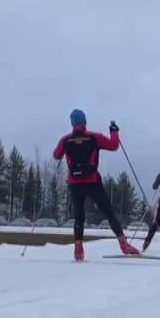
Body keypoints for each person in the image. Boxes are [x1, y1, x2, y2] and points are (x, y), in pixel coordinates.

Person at [52, 109, 141, 261]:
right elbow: (114, 145)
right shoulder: (94, 137)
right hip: (92, 180)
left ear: (73, 123)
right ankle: (123, 244)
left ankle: (78, 250)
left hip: (74, 183)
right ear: (85, 122)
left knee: (79, 216)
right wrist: (114, 131)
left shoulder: (65, 140)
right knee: (109, 212)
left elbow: (56, 155)